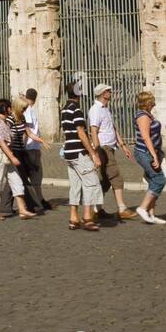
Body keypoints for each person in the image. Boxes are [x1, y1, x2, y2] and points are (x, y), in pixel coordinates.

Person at [89, 83, 138, 221]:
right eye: (108, 91)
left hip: (110, 147)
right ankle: (122, 209)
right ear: (102, 93)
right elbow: (93, 130)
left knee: (105, 181)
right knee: (116, 177)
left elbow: (113, 128)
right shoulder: (96, 110)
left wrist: (122, 145)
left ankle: (96, 209)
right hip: (103, 148)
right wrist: (97, 150)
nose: (110, 92)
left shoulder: (105, 109)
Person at [60, 83, 103, 231]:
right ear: (78, 93)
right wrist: (93, 153)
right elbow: (81, 133)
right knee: (91, 182)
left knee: (76, 185)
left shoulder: (64, 109)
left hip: (69, 153)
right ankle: (87, 217)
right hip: (79, 152)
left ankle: (73, 217)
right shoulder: (76, 110)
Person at [0, 99, 37, 221]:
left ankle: (22, 210)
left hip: (7, 156)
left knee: (16, 180)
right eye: (9, 107)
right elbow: (1, 143)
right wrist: (13, 157)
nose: (11, 109)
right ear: (6, 109)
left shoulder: (4, 122)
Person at [6, 93, 45, 214]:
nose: (25, 110)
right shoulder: (10, 119)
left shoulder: (22, 118)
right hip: (13, 152)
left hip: (21, 152)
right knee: (21, 179)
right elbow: (4, 137)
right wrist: (10, 154)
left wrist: (41, 140)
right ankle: (31, 206)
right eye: (23, 108)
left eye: (26, 108)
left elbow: (29, 133)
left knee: (15, 180)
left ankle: (6, 206)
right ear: (17, 106)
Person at [133, 89, 166, 224]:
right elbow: (146, 137)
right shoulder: (142, 116)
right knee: (159, 180)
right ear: (147, 102)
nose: (154, 102)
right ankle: (142, 208)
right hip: (145, 153)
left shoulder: (148, 115)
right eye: (152, 99)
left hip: (153, 152)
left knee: (152, 181)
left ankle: (151, 215)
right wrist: (154, 156)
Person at [22, 87, 52, 212]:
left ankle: (39, 199)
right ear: (35, 98)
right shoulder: (28, 110)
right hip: (30, 147)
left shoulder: (30, 109)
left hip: (33, 146)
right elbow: (26, 131)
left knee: (36, 176)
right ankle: (33, 201)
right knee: (33, 176)